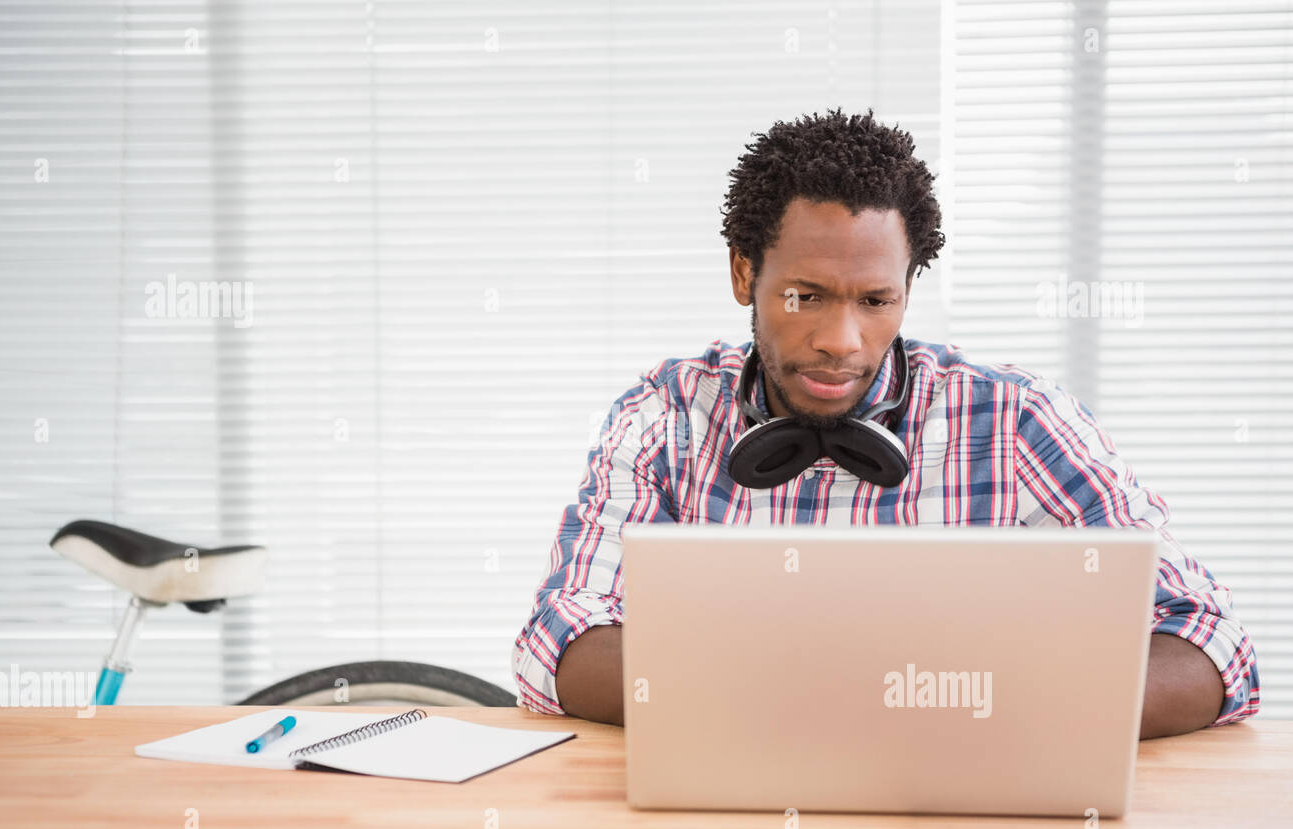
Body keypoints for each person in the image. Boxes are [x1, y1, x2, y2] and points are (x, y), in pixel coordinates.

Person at [512, 107, 1259, 737]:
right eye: (806, 296)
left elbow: (1210, 643)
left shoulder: (1018, 421)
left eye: (875, 302)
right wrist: (838, 700)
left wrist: (977, 710)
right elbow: (562, 637)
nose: (842, 340)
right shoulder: (665, 417)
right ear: (744, 273)